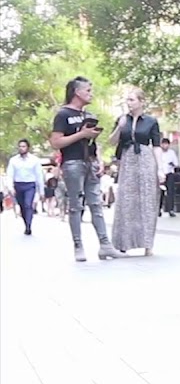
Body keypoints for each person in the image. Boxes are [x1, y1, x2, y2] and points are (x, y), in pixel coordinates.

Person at [48, 76, 120, 262]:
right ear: (77, 92)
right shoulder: (63, 114)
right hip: (72, 163)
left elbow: (91, 141)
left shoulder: (88, 115)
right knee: (75, 205)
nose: (91, 93)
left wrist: (97, 158)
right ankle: (78, 245)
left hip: (90, 162)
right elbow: (56, 142)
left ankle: (105, 245)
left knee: (96, 204)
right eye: (88, 90)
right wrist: (81, 134)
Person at [108, 86, 164, 255]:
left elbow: (156, 146)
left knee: (147, 201)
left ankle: (148, 245)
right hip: (127, 160)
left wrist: (160, 169)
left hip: (145, 159)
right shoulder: (121, 119)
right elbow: (111, 141)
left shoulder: (151, 121)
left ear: (141, 102)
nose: (129, 103)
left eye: (132, 99)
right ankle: (123, 242)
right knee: (126, 201)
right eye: (128, 100)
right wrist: (119, 127)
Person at [7, 139, 44, 235]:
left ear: (28, 148)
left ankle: (29, 226)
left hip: (30, 185)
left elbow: (39, 175)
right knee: (22, 206)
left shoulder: (34, 160)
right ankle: (26, 223)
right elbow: (10, 175)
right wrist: (10, 187)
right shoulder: (13, 160)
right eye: (20, 146)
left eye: (23, 146)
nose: (21, 148)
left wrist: (41, 191)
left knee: (28, 205)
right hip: (18, 185)